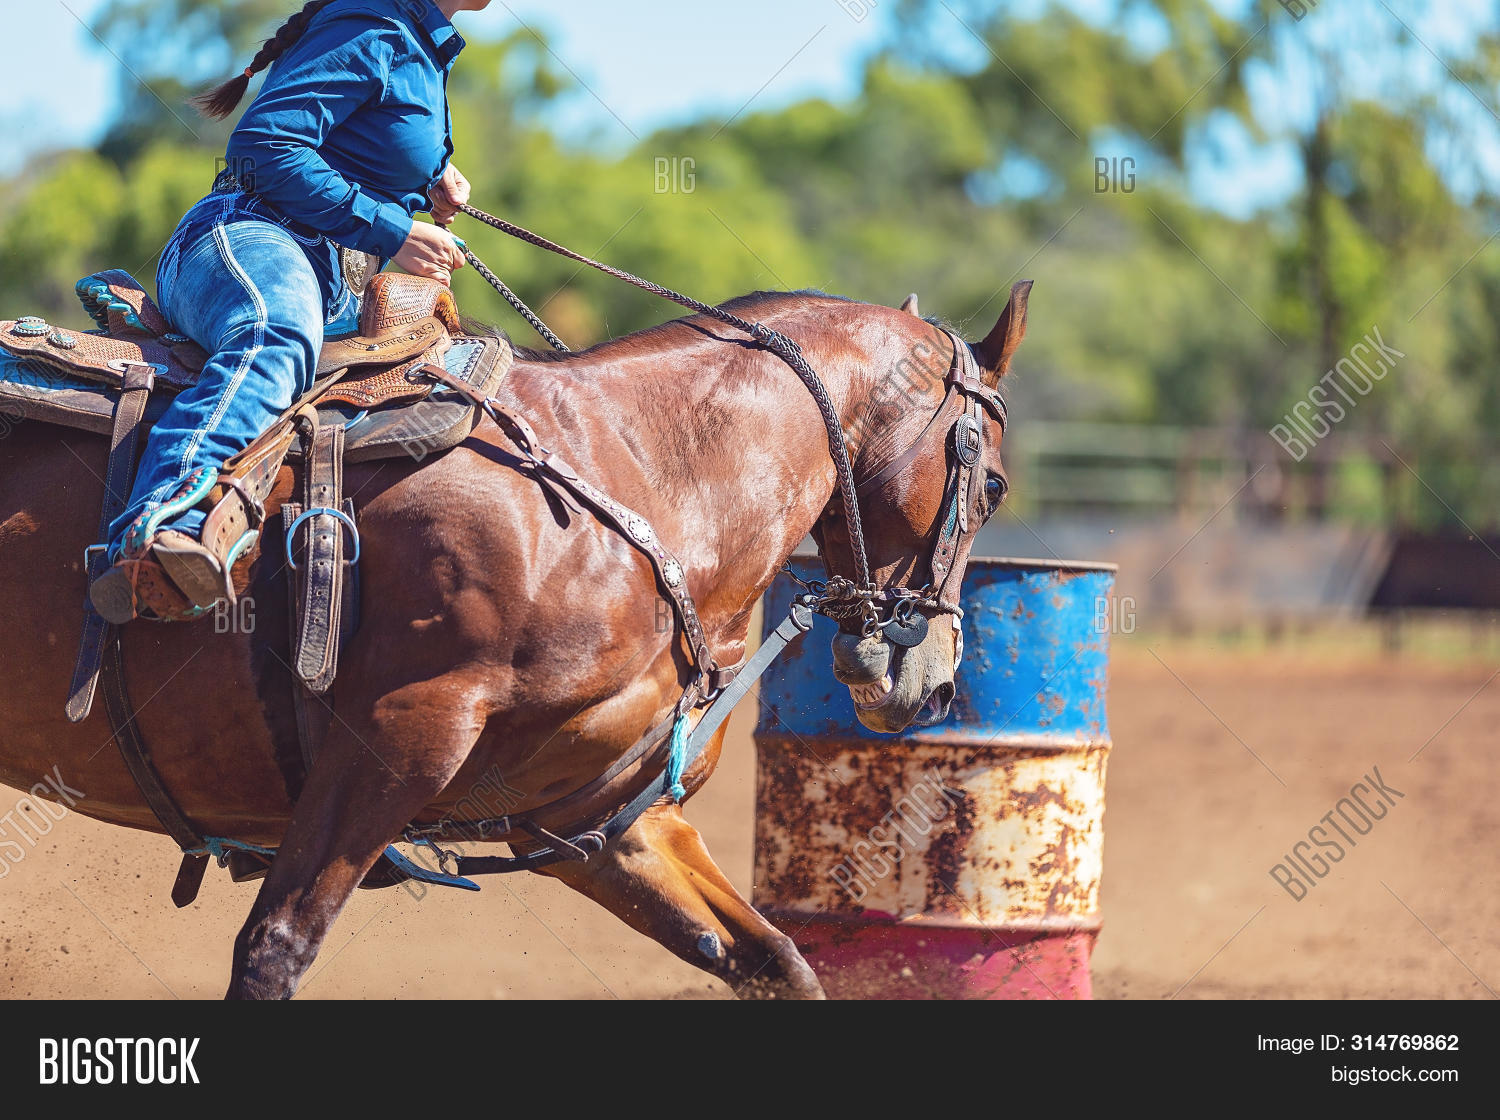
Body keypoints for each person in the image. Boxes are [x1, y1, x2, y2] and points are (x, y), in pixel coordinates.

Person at [90, 0, 491, 624]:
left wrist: (428, 177)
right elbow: (265, 146)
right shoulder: (373, 28)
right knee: (276, 335)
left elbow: (352, 141)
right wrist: (396, 230)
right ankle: (160, 521)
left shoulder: (417, 44)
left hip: (326, 273)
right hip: (247, 238)